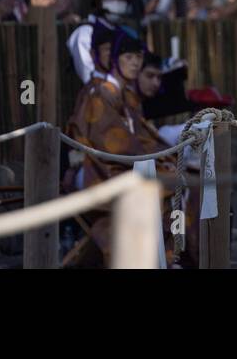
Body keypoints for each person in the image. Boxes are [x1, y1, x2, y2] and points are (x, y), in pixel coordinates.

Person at [65, 29, 181, 265]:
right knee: (161, 184)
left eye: (138, 57)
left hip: (121, 164)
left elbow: (141, 135)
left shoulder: (127, 96)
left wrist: (163, 156)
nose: (135, 63)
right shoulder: (98, 93)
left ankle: (170, 256)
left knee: (177, 178)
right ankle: (149, 258)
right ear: (114, 58)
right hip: (98, 169)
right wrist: (155, 157)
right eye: (128, 57)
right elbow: (110, 139)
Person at [67, 0, 141, 84]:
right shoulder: (85, 33)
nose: (117, 3)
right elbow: (87, 74)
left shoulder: (125, 33)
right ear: (98, 1)